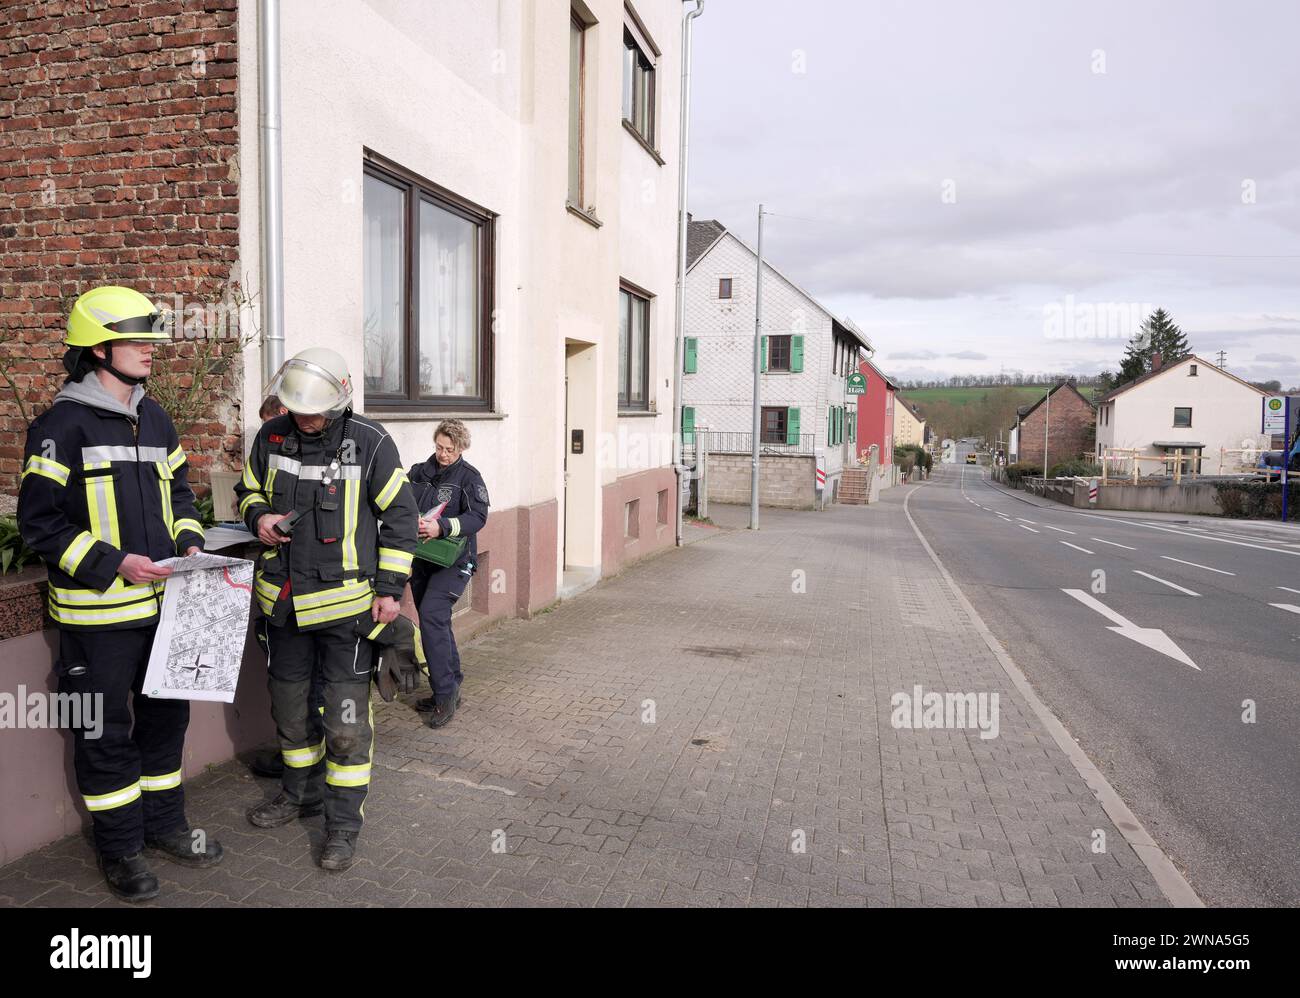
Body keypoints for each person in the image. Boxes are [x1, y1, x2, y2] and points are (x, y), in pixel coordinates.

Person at [17, 285, 223, 902]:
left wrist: (188, 544)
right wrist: (116, 564)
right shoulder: (59, 426)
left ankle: (166, 827)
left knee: (166, 720)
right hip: (99, 614)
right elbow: (41, 524)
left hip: (167, 609)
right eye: (137, 340)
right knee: (103, 734)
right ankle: (122, 849)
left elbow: (182, 497)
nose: (149, 350)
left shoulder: (156, 418)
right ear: (98, 348)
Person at [234, 348, 417, 871]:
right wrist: (260, 516)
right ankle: (298, 795)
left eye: (315, 411)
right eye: (298, 409)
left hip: (347, 613)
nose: (306, 419)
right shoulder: (270, 436)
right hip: (285, 609)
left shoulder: (371, 441)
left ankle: (341, 825)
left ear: (340, 402)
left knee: (345, 725)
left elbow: (400, 519)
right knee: (290, 718)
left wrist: (389, 589)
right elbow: (246, 493)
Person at [407, 419, 489, 728]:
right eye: (440, 447)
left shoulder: (469, 478)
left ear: (461, 448)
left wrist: (441, 526)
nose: (443, 454)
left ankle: (443, 696)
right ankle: (452, 684)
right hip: (422, 558)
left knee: (430, 616)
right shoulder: (418, 472)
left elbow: (478, 517)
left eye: (450, 450)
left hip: (454, 561)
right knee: (436, 622)